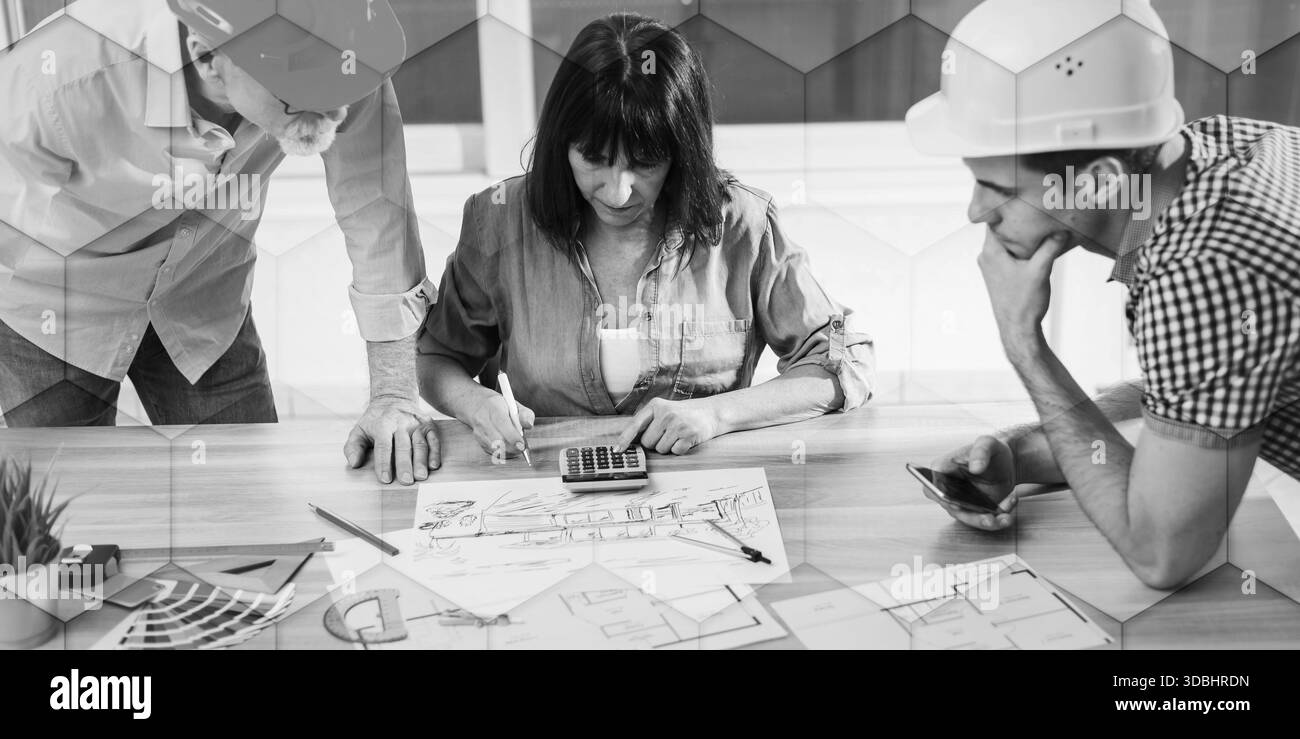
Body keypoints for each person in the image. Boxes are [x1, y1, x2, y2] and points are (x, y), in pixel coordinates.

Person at [906, 0, 1300, 588]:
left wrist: (1024, 345)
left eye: (997, 187)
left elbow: (1160, 555)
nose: (975, 212)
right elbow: (1194, 392)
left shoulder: (1204, 270)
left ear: (1099, 180)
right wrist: (1024, 450)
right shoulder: (1226, 150)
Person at [0, 0, 440, 485]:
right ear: (207, 56)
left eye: (339, 99)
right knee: (69, 517)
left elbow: (378, 216)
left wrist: (394, 395)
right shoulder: (56, 77)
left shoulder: (341, 59)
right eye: (298, 98)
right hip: (52, 307)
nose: (332, 111)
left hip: (202, 296)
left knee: (246, 499)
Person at [417, 13, 874, 458]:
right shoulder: (497, 219)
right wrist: (477, 404)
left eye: (644, 162)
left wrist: (717, 414)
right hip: (543, 492)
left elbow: (843, 362)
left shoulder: (740, 224)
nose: (617, 192)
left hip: (702, 494)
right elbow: (437, 356)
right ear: (561, 144)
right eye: (593, 158)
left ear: (682, 152)